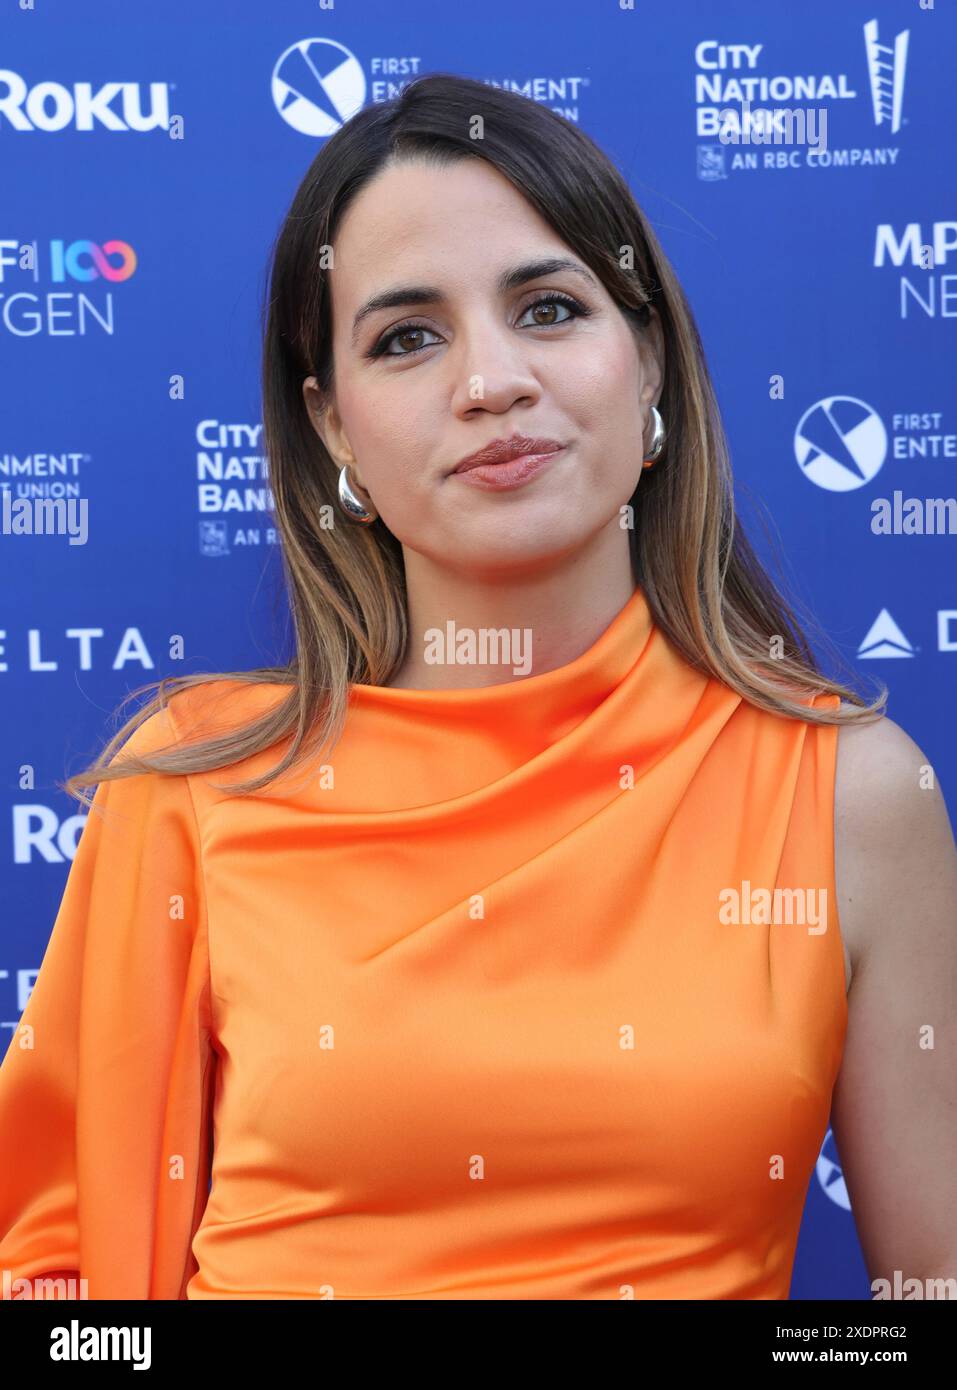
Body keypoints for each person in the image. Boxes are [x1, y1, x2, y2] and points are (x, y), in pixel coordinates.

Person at [1, 73, 955, 1302]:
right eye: (407, 336)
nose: (490, 381)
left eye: (549, 309)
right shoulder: (192, 787)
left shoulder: (848, 794)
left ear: (649, 360)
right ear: (333, 427)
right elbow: (67, 1302)